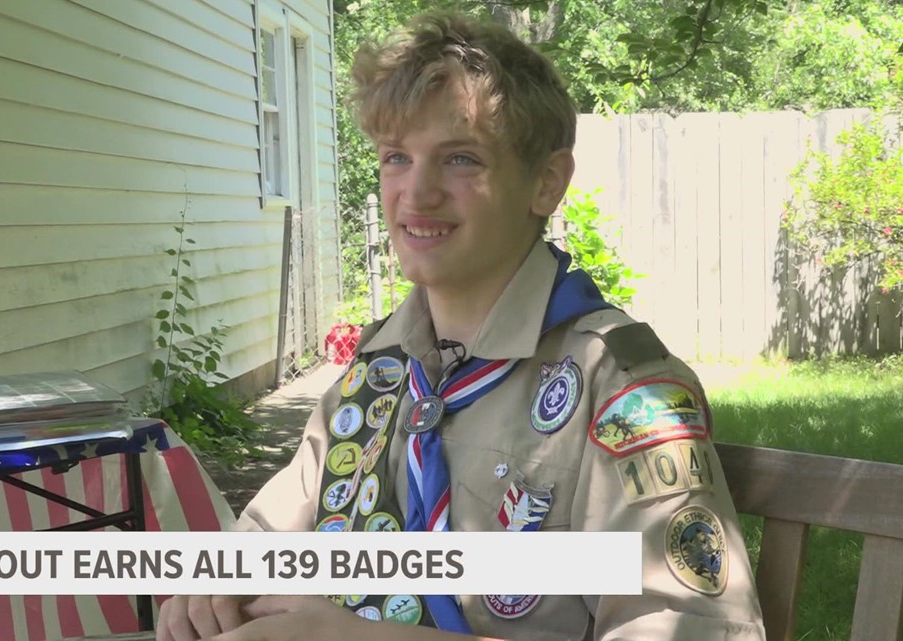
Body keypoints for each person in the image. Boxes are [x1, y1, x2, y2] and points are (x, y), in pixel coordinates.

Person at [158, 10, 766, 641]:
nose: (416, 194)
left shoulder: (617, 388)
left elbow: (687, 629)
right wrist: (217, 577)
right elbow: (284, 514)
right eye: (396, 156)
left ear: (546, 182)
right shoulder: (377, 371)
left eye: (461, 159)